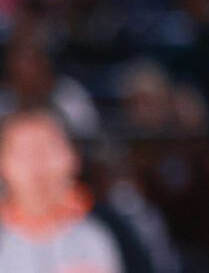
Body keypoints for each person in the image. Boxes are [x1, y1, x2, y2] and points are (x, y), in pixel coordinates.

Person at [0, 109, 121, 273]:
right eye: (23, 151)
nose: (37, 161)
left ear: (74, 156)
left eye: (48, 146)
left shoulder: (114, 227)